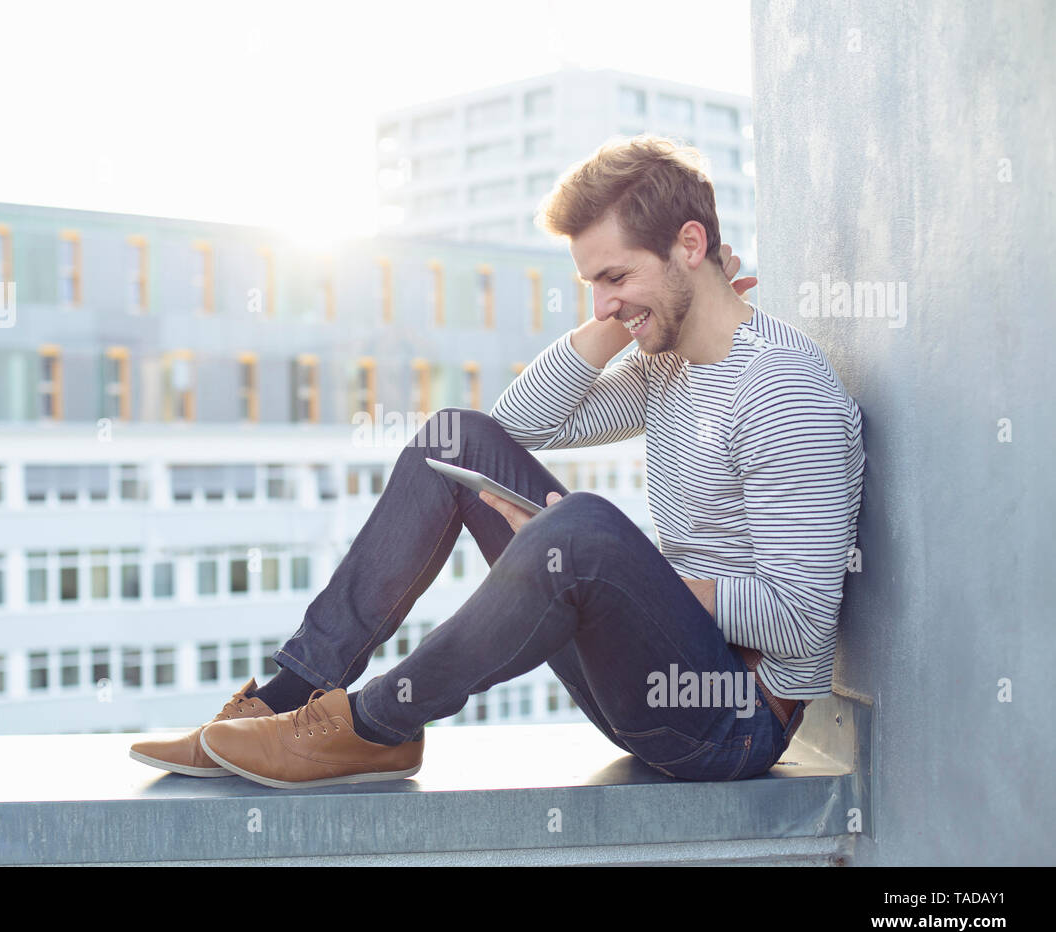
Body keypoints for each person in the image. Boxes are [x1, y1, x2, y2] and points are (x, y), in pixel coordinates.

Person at [130, 134, 866, 789]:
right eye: (591, 288)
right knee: (453, 441)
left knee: (579, 531)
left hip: (729, 722)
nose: (604, 305)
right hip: (646, 686)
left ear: (691, 245)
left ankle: (374, 723)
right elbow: (515, 426)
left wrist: (618, 571)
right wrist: (626, 319)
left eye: (616, 278)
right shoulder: (668, 366)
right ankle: (289, 699)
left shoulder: (781, 389)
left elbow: (801, 623)